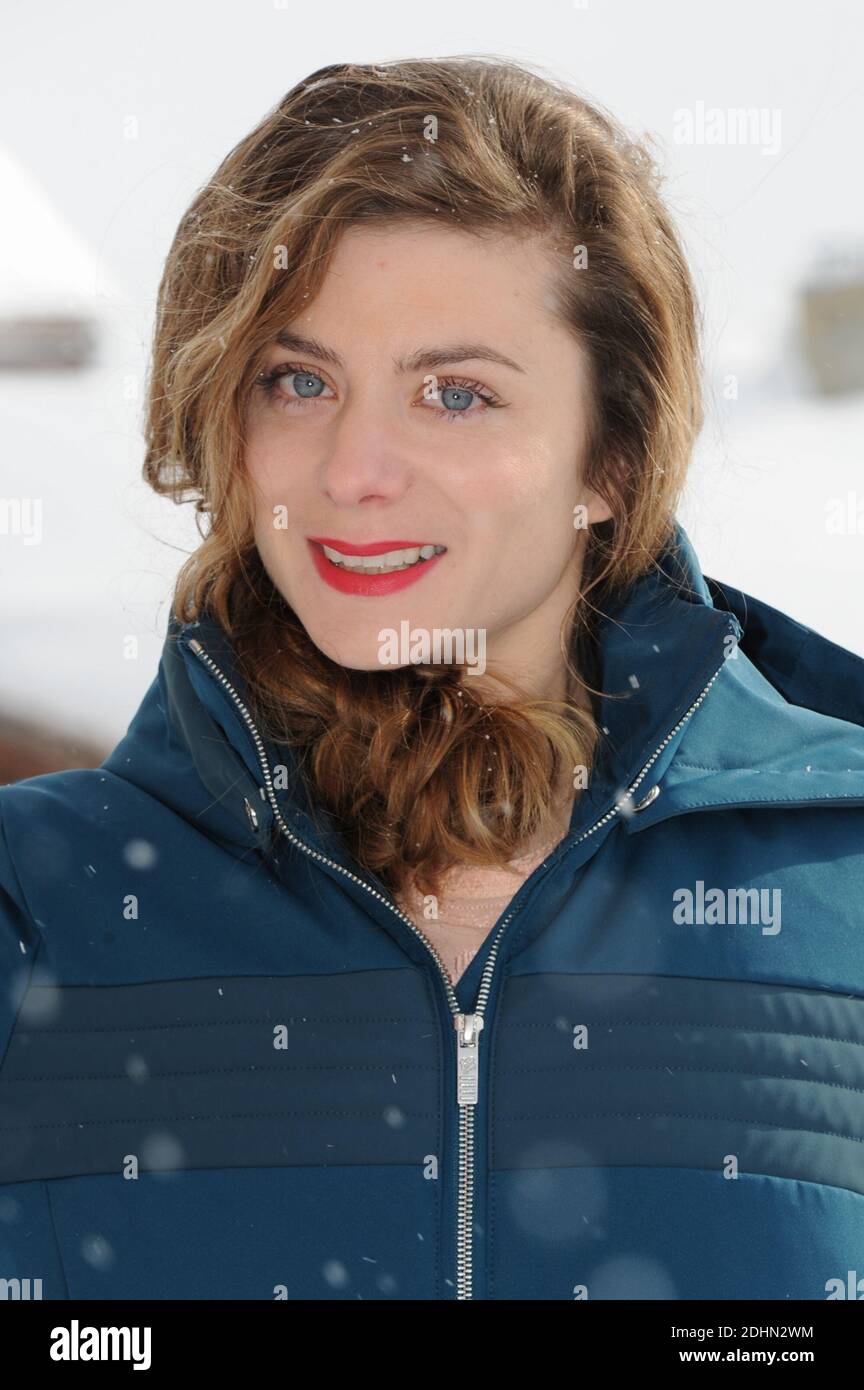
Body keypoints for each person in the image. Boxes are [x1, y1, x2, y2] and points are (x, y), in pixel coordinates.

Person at [1, 56, 863, 1303]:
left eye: (455, 395)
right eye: (299, 381)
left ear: (611, 460)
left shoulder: (837, 884)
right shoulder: (37, 897)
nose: (355, 467)